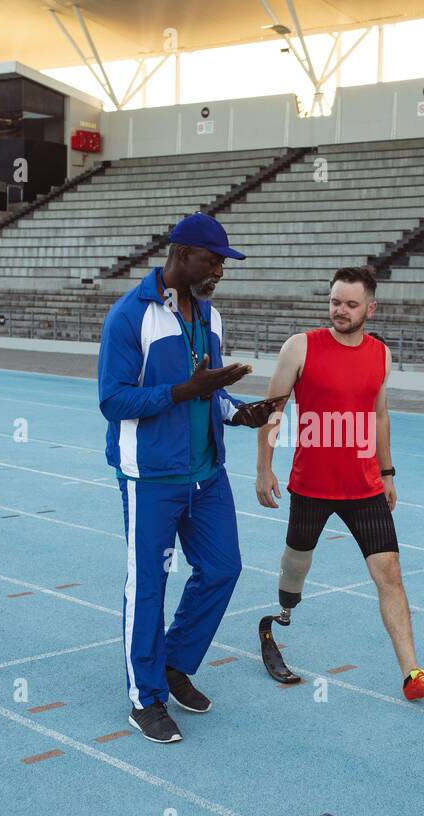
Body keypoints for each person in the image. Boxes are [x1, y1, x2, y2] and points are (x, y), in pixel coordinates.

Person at [98, 212, 276, 743]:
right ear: (180, 254)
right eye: (213, 259)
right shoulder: (131, 316)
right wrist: (181, 392)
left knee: (223, 569)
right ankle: (145, 698)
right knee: (149, 585)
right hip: (151, 475)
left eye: (223, 263)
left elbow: (211, 393)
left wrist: (240, 412)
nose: (220, 270)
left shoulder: (211, 316)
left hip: (207, 474)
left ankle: (174, 664)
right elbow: (113, 400)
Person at [254, 266, 424, 701]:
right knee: (295, 565)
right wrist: (263, 469)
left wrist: (387, 472)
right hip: (311, 486)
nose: (339, 311)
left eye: (350, 304)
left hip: (364, 489)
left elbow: (379, 415)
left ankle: (412, 674)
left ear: (370, 308)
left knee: (391, 574)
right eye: (334, 302)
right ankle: (283, 612)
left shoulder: (380, 354)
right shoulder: (300, 347)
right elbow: (272, 410)